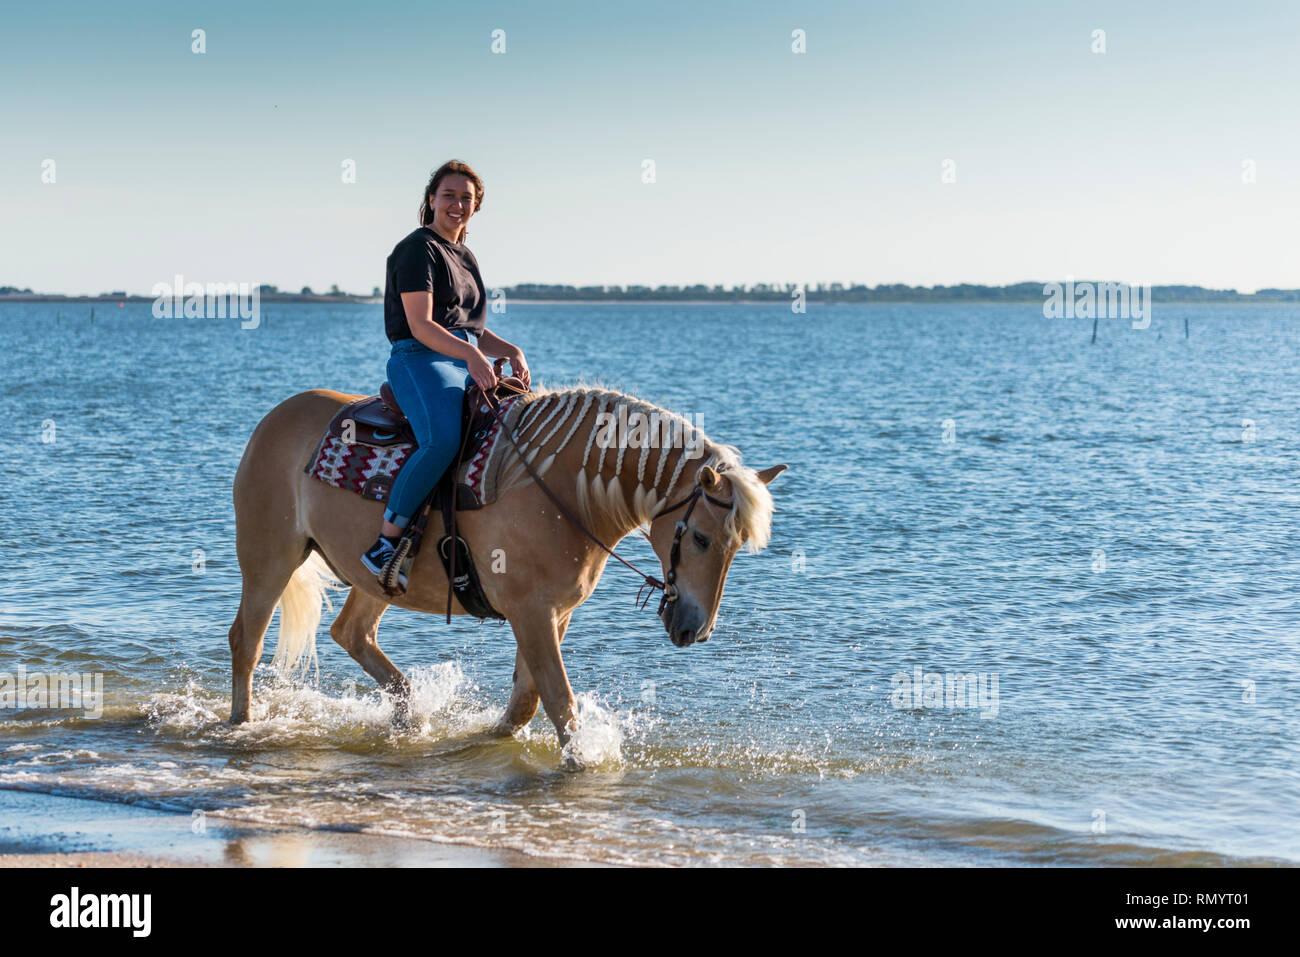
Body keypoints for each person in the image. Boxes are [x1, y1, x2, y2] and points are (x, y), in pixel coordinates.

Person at [361, 160, 530, 585]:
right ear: (431, 199)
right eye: (449, 195)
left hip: (460, 355)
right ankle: (386, 542)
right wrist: (472, 357)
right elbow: (422, 324)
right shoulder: (418, 248)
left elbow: (468, 326)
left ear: (477, 206)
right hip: (418, 357)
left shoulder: (465, 256)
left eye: (466, 198)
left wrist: (509, 350)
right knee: (442, 441)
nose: (457, 204)